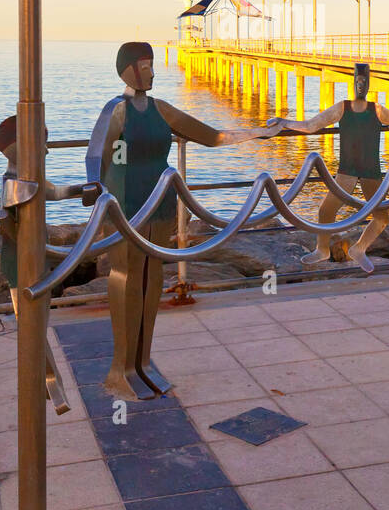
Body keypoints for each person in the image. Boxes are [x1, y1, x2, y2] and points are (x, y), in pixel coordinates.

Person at [87, 41, 276, 401]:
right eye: (146, 66)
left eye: (153, 65)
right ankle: (120, 368)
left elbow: (212, 136)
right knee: (125, 278)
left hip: (160, 205)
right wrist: (96, 198)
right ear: (129, 70)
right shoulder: (116, 110)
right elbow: (96, 156)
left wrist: (261, 132)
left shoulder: (161, 110)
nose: (153, 72)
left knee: (153, 279)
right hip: (125, 207)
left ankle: (142, 364)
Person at [266, 62, 389, 273]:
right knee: (325, 211)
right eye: (357, 81)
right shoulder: (342, 107)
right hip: (347, 170)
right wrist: (283, 121)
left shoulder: (376, 110)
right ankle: (322, 250)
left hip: (370, 171)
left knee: (382, 217)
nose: (361, 85)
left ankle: (359, 249)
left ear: (369, 85)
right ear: (352, 83)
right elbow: (311, 126)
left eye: (364, 82)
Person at [0, 115, 75, 415]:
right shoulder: (14, 183)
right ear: (24, 148)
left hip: (36, 259)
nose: (47, 151)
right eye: (43, 143)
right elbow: (6, 218)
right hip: (21, 264)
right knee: (32, 329)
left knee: (39, 324)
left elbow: (51, 191)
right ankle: (51, 387)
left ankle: (48, 384)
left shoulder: (31, 179)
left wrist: (81, 191)